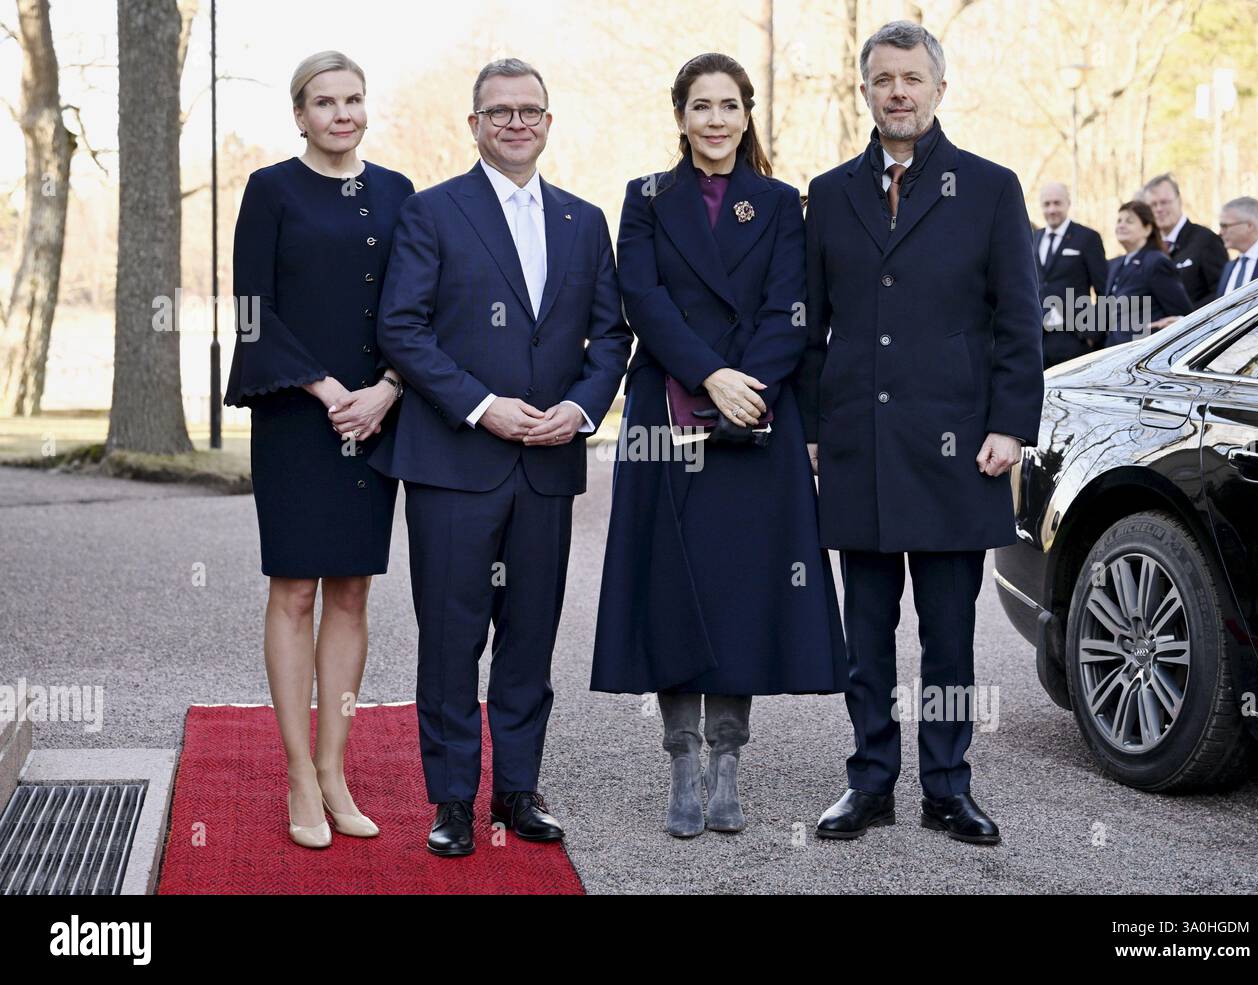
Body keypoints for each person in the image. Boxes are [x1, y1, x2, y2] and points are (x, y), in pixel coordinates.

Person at [370, 58, 632, 857]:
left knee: (530, 637)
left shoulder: (584, 220)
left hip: (548, 466)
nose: (516, 123)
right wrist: (485, 407)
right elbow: (401, 328)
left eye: (530, 111)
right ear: (475, 123)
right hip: (455, 462)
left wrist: (583, 408)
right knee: (452, 639)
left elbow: (611, 335)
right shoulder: (433, 211)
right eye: (500, 112)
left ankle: (518, 790)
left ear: (548, 123)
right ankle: (452, 798)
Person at [794, 21, 1043, 846]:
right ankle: (869, 781)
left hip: (957, 453)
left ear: (939, 88)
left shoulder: (992, 187)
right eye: (883, 79)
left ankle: (947, 786)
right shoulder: (827, 195)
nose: (897, 92)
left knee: (948, 640)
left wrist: (1011, 424)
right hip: (859, 450)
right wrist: (812, 426)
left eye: (912, 79)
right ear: (864, 90)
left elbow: (1019, 324)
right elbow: (809, 327)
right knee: (865, 636)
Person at [590, 53, 847, 838]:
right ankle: (679, 758)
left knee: (741, 589)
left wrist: (747, 384)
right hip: (664, 414)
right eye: (700, 106)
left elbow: (790, 307)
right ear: (679, 117)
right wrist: (708, 374)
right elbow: (643, 297)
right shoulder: (644, 199)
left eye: (728, 106)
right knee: (672, 583)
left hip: (757, 413)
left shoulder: (778, 202)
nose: (714, 120)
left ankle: (727, 760)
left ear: (746, 114)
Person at [223, 51, 413, 849]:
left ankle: (337, 769)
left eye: (354, 99)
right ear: (300, 115)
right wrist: (326, 389)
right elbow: (253, 313)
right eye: (325, 102)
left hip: (377, 414)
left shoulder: (400, 194)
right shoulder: (271, 191)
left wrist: (390, 388)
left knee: (352, 593)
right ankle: (298, 771)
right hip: (300, 418)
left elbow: (421, 304)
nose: (343, 113)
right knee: (295, 589)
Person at [1035, 182, 1107, 367]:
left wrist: (1094, 334)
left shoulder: (1087, 238)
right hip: (1037, 339)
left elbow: (1104, 290)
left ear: (1068, 203)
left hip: (1074, 337)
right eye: (1047, 204)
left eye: (1057, 203)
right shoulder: (1033, 239)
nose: (1052, 209)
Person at [1100, 200, 1192, 347]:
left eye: (1129, 221)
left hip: (1143, 354)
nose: (1121, 225)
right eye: (1119, 221)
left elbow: (1182, 313)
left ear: (1147, 229)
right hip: (1114, 352)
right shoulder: (1115, 264)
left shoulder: (1156, 263)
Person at [1142, 173, 1228, 309]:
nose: (1159, 209)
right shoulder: (1148, 247)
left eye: (1164, 202)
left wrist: (1186, 318)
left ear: (1179, 201)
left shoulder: (1205, 240)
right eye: (1153, 205)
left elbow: (1222, 292)